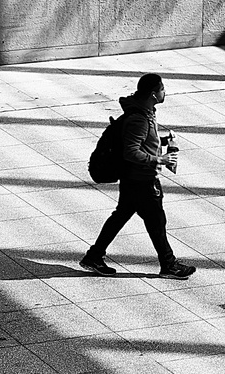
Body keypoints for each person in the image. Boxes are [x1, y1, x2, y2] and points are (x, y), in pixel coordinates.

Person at [80, 73, 196, 280]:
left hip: (133, 179)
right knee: (156, 221)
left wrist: (161, 139)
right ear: (153, 94)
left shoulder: (145, 112)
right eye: (162, 89)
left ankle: (94, 256)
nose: (165, 92)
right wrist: (159, 160)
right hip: (141, 180)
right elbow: (131, 151)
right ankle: (169, 265)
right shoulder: (139, 119)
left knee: (123, 217)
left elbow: (142, 141)